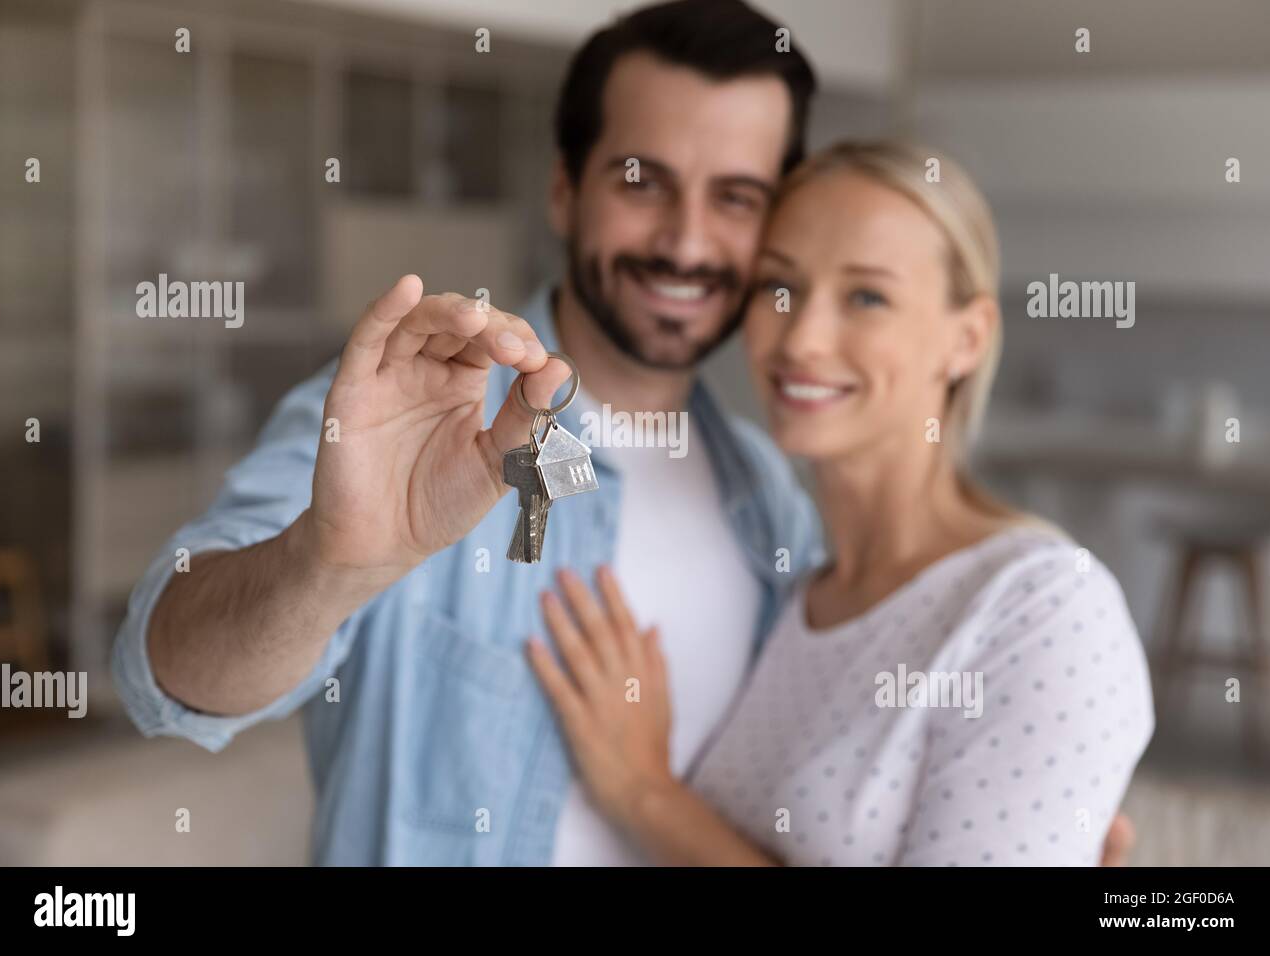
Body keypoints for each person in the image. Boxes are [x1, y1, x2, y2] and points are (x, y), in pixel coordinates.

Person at [112, 0, 823, 866]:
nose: (686, 242)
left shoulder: (771, 497)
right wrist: (327, 567)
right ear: (565, 190)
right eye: (642, 181)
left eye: (737, 198)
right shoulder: (399, 421)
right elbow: (164, 673)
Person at [526, 141, 1155, 865]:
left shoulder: (1043, 610)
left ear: (967, 338)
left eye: (866, 297)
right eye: (779, 287)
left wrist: (646, 793)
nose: (802, 339)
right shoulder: (795, 596)